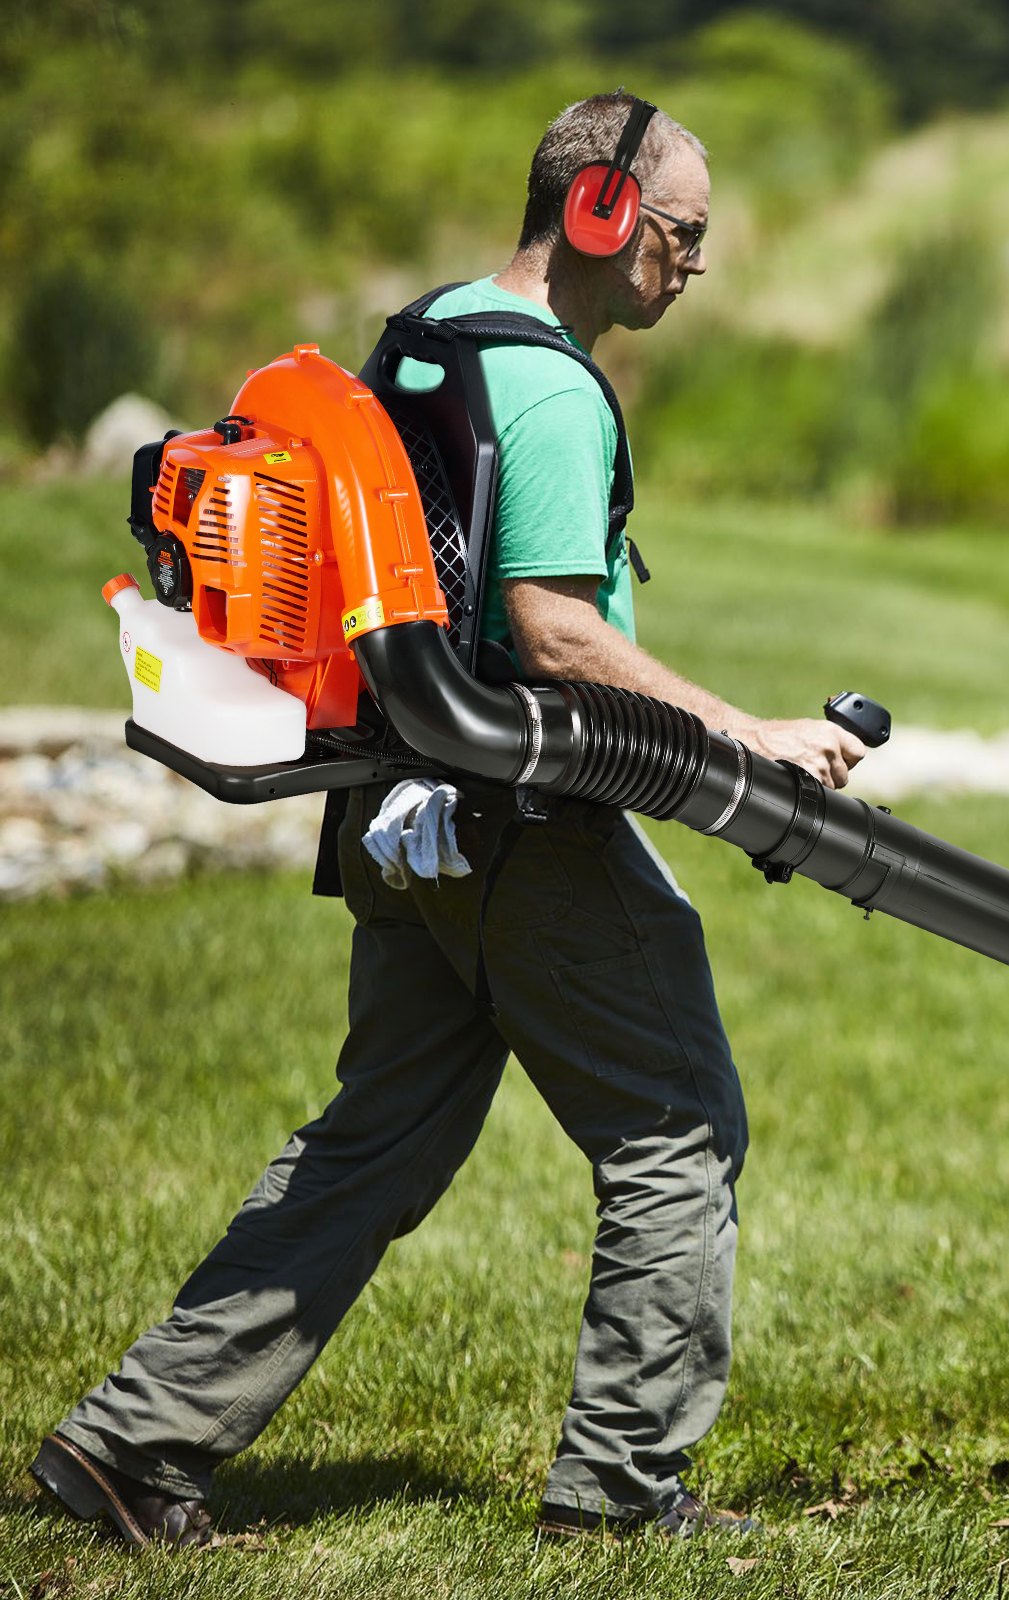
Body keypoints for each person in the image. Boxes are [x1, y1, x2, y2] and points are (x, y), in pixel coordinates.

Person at [31, 89, 865, 1548]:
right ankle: (620, 1497)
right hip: (521, 821)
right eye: (684, 234)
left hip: (393, 816)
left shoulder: (421, 334)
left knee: (378, 1141)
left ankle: (132, 1444)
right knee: (677, 1131)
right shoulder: (551, 392)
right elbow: (554, 635)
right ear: (605, 215)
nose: (696, 264)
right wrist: (749, 733)